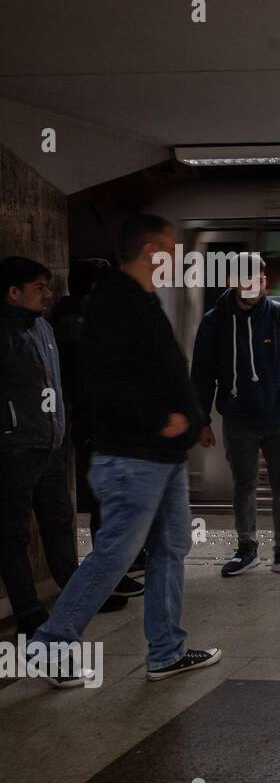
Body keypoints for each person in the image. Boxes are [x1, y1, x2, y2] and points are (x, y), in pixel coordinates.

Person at [27, 214, 220, 686]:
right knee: (115, 553)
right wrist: (162, 418)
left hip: (162, 457)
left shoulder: (140, 298)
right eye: (171, 248)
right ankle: (50, 645)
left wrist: (191, 419)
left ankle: (165, 651)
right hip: (135, 456)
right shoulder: (115, 302)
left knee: (171, 547)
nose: (176, 257)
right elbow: (103, 382)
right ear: (151, 250)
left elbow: (163, 369)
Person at [191, 255, 280, 576]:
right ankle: (247, 549)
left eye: (259, 279)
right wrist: (202, 420)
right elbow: (202, 374)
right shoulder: (215, 320)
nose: (254, 284)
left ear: (265, 281)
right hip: (238, 420)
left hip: (279, 420)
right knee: (243, 485)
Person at [49, 258, 142, 610]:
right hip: (93, 427)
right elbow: (83, 381)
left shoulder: (86, 317)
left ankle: (118, 567)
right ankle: (108, 575)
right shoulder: (74, 321)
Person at [0, 257, 80, 636]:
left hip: (50, 444)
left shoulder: (44, 328)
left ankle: (75, 592)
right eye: (38, 288)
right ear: (12, 293)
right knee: (14, 534)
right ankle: (29, 613)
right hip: (15, 449)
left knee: (59, 523)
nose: (48, 294)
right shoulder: (5, 332)